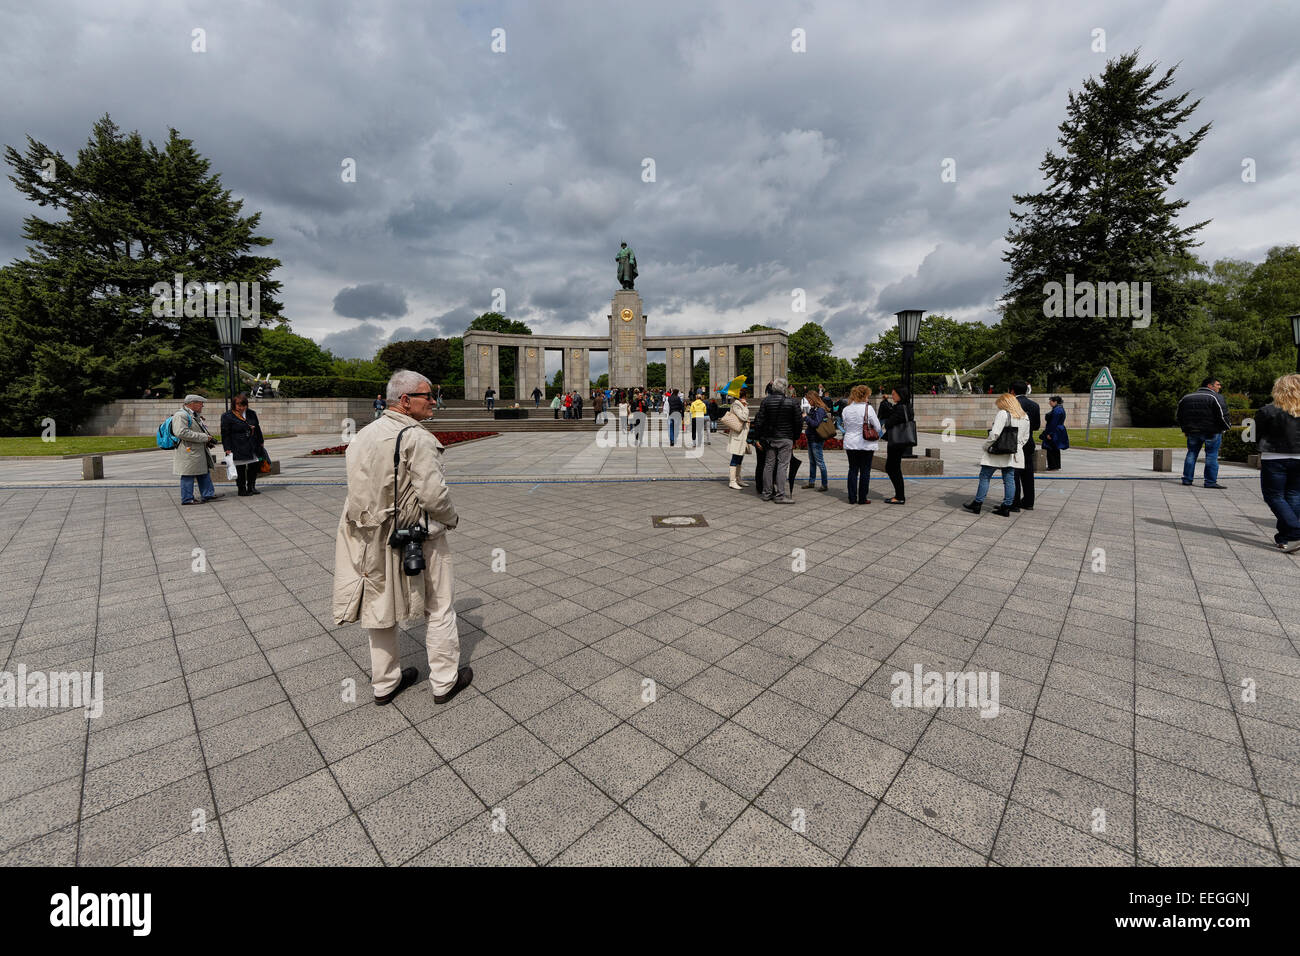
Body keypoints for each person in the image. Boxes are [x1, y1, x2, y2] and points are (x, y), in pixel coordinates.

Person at [332, 369, 471, 707]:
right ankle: (444, 681)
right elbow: (434, 496)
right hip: (414, 535)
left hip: (365, 534)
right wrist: (451, 519)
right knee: (438, 605)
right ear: (406, 401)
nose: (434, 402)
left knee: (378, 608)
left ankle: (385, 683)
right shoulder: (417, 436)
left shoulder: (363, 435)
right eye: (427, 396)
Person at [962, 392, 1030, 516]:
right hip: (1013, 452)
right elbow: (1026, 437)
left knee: (985, 476)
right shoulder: (1025, 416)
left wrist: (986, 446)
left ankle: (977, 503)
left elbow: (995, 434)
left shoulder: (1004, 413)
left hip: (998, 451)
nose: (998, 407)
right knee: (1009, 479)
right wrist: (1016, 446)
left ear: (1005, 403)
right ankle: (1006, 506)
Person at [1256, 374, 1300, 552]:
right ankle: (1285, 537)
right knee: (1294, 496)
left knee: (1274, 496)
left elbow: (1257, 435)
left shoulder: (1267, 410)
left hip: (1274, 457)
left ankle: (1295, 531)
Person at [751, 377, 800, 503]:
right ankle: (779, 496)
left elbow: (760, 421)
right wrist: (795, 436)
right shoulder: (792, 402)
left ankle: (766, 493)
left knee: (768, 465)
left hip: (770, 437)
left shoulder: (766, 402)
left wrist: (757, 437)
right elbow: (798, 422)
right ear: (785, 388)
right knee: (782, 466)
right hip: (785, 437)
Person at [1176, 376, 1231, 489]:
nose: (1220, 387)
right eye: (1218, 384)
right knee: (1211, 456)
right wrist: (1226, 427)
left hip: (1192, 431)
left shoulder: (1186, 398)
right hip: (1212, 432)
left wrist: (1185, 429)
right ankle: (1210, 482)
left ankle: (1187, 479)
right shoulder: (1215, 397)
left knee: (1191, 454)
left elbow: (1179, 416)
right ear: (1209, 386)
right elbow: (1223, 415)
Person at [171, 394, 224, 505]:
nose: (202, 405)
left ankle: (208, 494)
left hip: (197, 449)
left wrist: (207, 440)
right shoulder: (181, 415)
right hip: (188, 451)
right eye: (200, 403)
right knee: (188, 474)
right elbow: (181, 432)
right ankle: (187, 498)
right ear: (192, 403)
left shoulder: (193, 415)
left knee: (203, 471)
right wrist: (204, 437)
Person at [220, 393, 267, 497]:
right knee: (240, 468)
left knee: (253, 466)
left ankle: (251, 487)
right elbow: (225, 433)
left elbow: (258, 428)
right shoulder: (227, 416)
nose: (241, 408)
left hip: (252, 444)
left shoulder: (251, 413)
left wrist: (261, 441)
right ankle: (241, 488)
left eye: (243, 405)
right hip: (237, 445)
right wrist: (227, 448)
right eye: (239, 405)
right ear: (234, 405)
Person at [841, 385, 881, 504]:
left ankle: (852, 497)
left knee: (852, 469)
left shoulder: (846, 409)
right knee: (865, 470)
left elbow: (846, 426)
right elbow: (878, 427)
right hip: (866, 443)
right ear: (864, 396)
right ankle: (862, 497)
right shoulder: (868, 409)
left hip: (851, 442)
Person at [879, 387, 914, 504]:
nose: (892, 396)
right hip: (901, 441)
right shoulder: (907, 407)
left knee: (892, 467)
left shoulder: (899, 409)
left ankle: (900, 496)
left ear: (900, 395)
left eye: (894, 394)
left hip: (896, 442)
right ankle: (899, 495)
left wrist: (890, 415)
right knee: (894, 467)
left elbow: (888, 424)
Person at [1010, 381, 1040, 512]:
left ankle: (1013, 502)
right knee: (1028, 473)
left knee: (1014, 473)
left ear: (1012, 391)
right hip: (1028, 442)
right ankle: (1028, 501)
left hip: (1014, 442)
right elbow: (1037, 426)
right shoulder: (1034, 405)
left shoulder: (1012, 405)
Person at [802, 390, 831, 492]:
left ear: (813, 399)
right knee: (812, 462)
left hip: (816, 439)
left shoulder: (820, 410)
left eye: (809, 399)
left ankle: (824, 484)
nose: (808, 401)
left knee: (820, 462)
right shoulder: (814, 409)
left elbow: (816, 424)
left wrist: (806, 418)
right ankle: (811, 482)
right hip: (811, 438)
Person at [725, 390, 751, 489]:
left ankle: (738, 478)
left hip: (742, 435)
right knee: (735, 457)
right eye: (746, 396)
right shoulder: (736, 405)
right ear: (743, 396)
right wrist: (745, 407)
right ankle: (732, 481)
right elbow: (743, 417)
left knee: (740, 457)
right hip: (738, 435)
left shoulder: (740, 404)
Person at [1041, 396, 1069, 470]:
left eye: (1051, 401)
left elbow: (1053, 423)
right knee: (1055, 448)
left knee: (1050, 448)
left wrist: (1050, 434)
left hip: (1054, 431)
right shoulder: (1059, 409)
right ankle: (1055, 465)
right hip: (1057, 430)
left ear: (1055, 402)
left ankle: (1052, 465)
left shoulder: (1057, 410)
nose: (1049, 403)